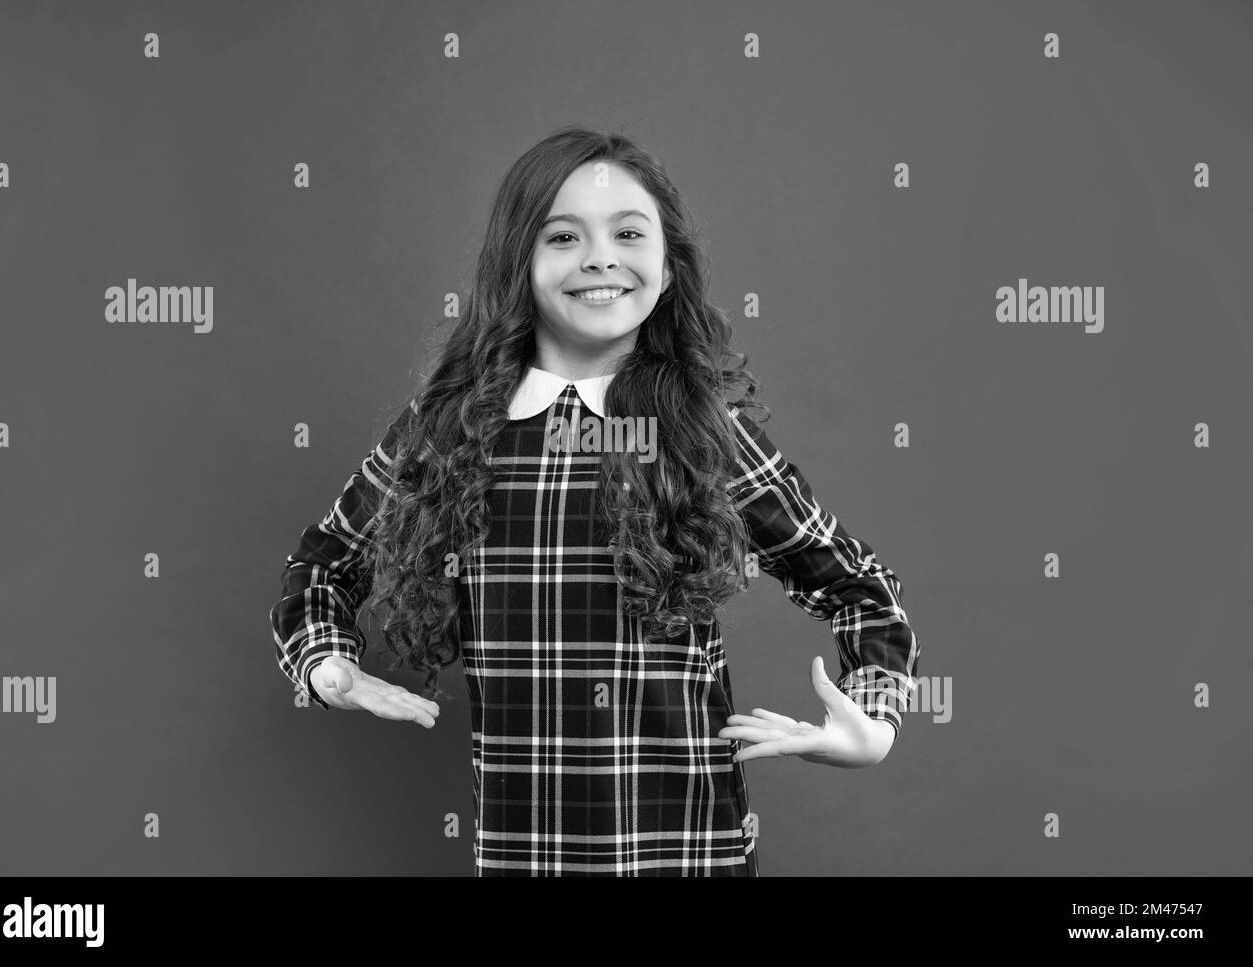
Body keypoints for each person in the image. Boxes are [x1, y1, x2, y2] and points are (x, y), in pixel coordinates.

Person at [270, 126, 921, 876]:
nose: (601, 257)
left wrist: (873, 720)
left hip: (691, 855)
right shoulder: (449, 431)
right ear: (518, 265)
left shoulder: (700, 431)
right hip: (524, 858)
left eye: (628, 233)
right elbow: (318, 569)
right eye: (563, 236)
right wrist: (327, 666)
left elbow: (862, 591)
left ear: (669, 267)